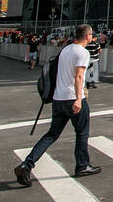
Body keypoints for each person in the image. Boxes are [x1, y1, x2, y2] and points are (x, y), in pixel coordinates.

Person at [15, 25, 101, 184]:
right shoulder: (82, 52)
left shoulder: (66, 49)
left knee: (51, 134)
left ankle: (27, 164)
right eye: (91, 35)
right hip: (73, 98)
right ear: (88, 35)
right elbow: (79, 77)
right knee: (82, 133)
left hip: (58, 99)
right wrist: (78, 99)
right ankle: (82, 166)